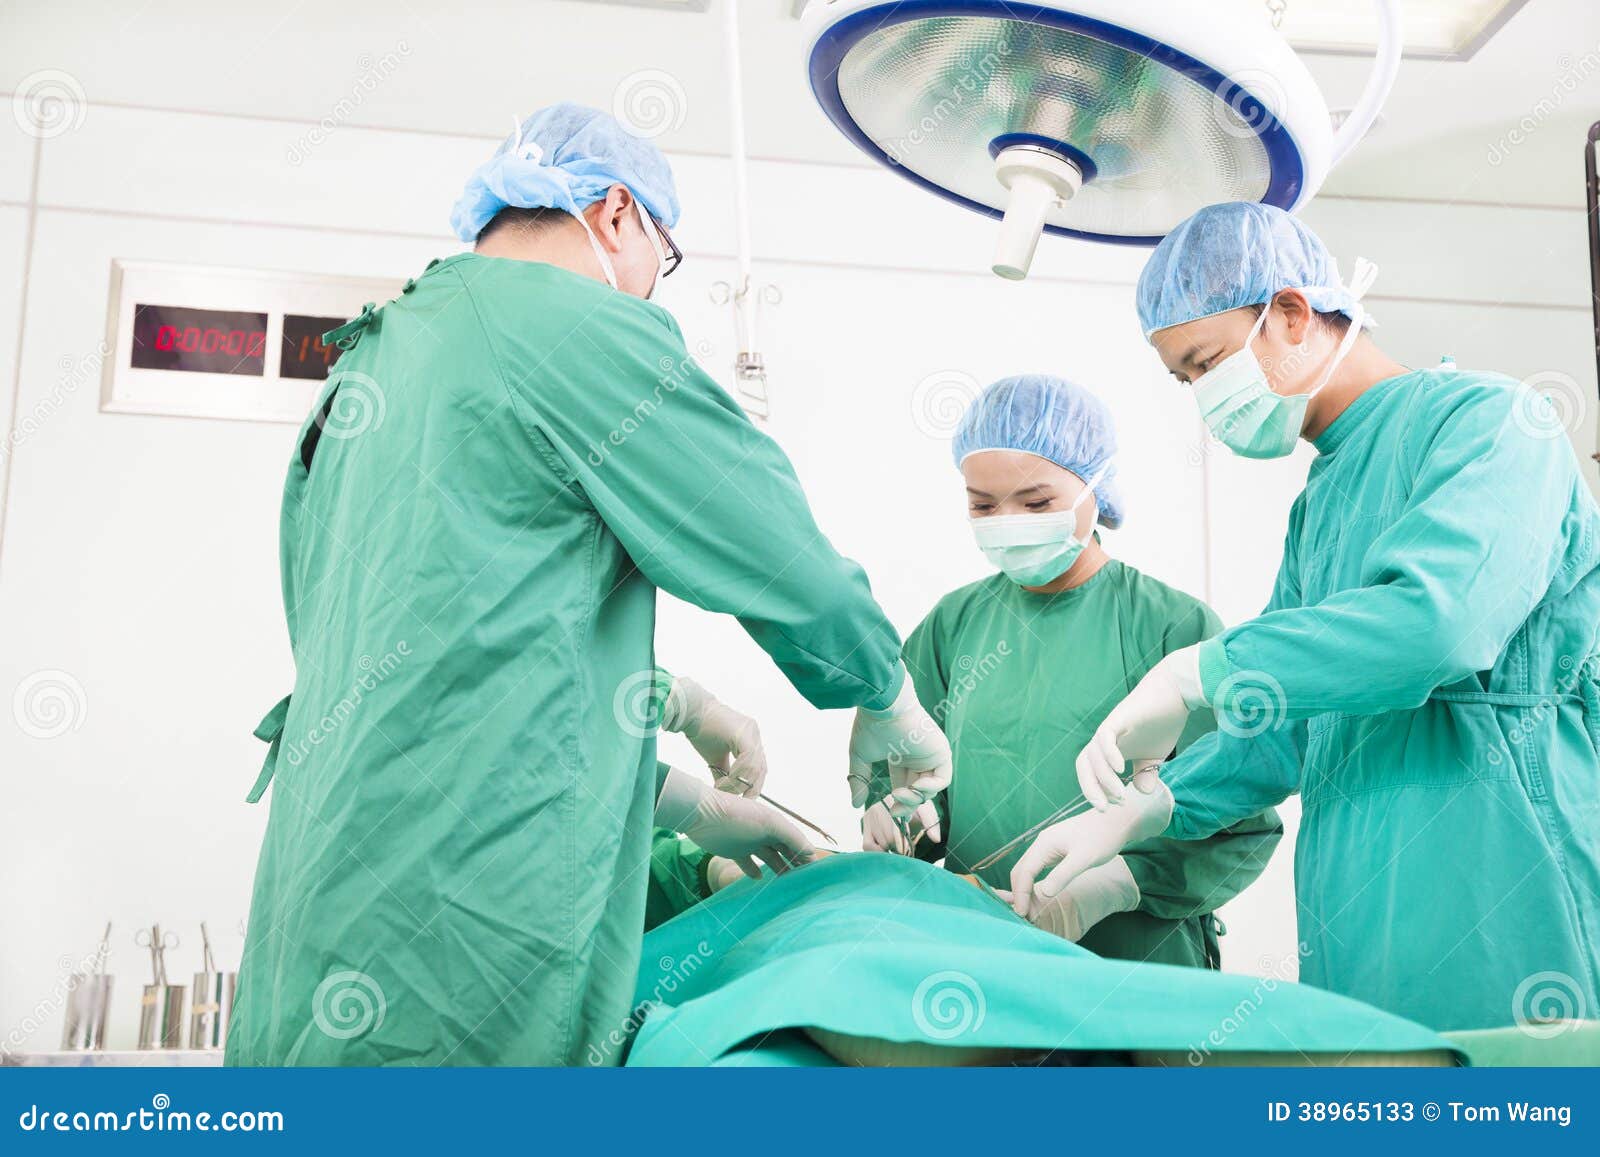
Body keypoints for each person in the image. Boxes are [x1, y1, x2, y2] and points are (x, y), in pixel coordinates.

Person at [229, 104, 950, 1067]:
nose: (655, 292)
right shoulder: (578, 330)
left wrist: (680, 796)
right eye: (665, 257)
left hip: (318, 915)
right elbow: (776, 549)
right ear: (617, 216)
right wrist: (885, 693)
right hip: (464, 942)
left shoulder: (377, 350)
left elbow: (439, 674)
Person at [1011, 201, 1600, 1031]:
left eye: (1206, 361)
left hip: (1505, 886)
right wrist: (1147, 808)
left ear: (1291, 312)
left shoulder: (1492, 422)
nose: (1202, 397)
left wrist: (1194, 672)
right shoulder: (1321, 501)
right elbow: (1287, 725)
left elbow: (1437, 624)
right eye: (1185, 379)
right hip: (1359, 916)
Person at [861, 375, 1281, 966]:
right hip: (980, 956)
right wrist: (897, 818)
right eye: (983, 504)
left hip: (1139, 964)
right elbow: (911, 779)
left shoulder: (1173, 627)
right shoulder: (952, 626)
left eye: (1036, 503)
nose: (1007, 520)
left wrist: (1109, 888)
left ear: (1096, 487)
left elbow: (1241, 820)